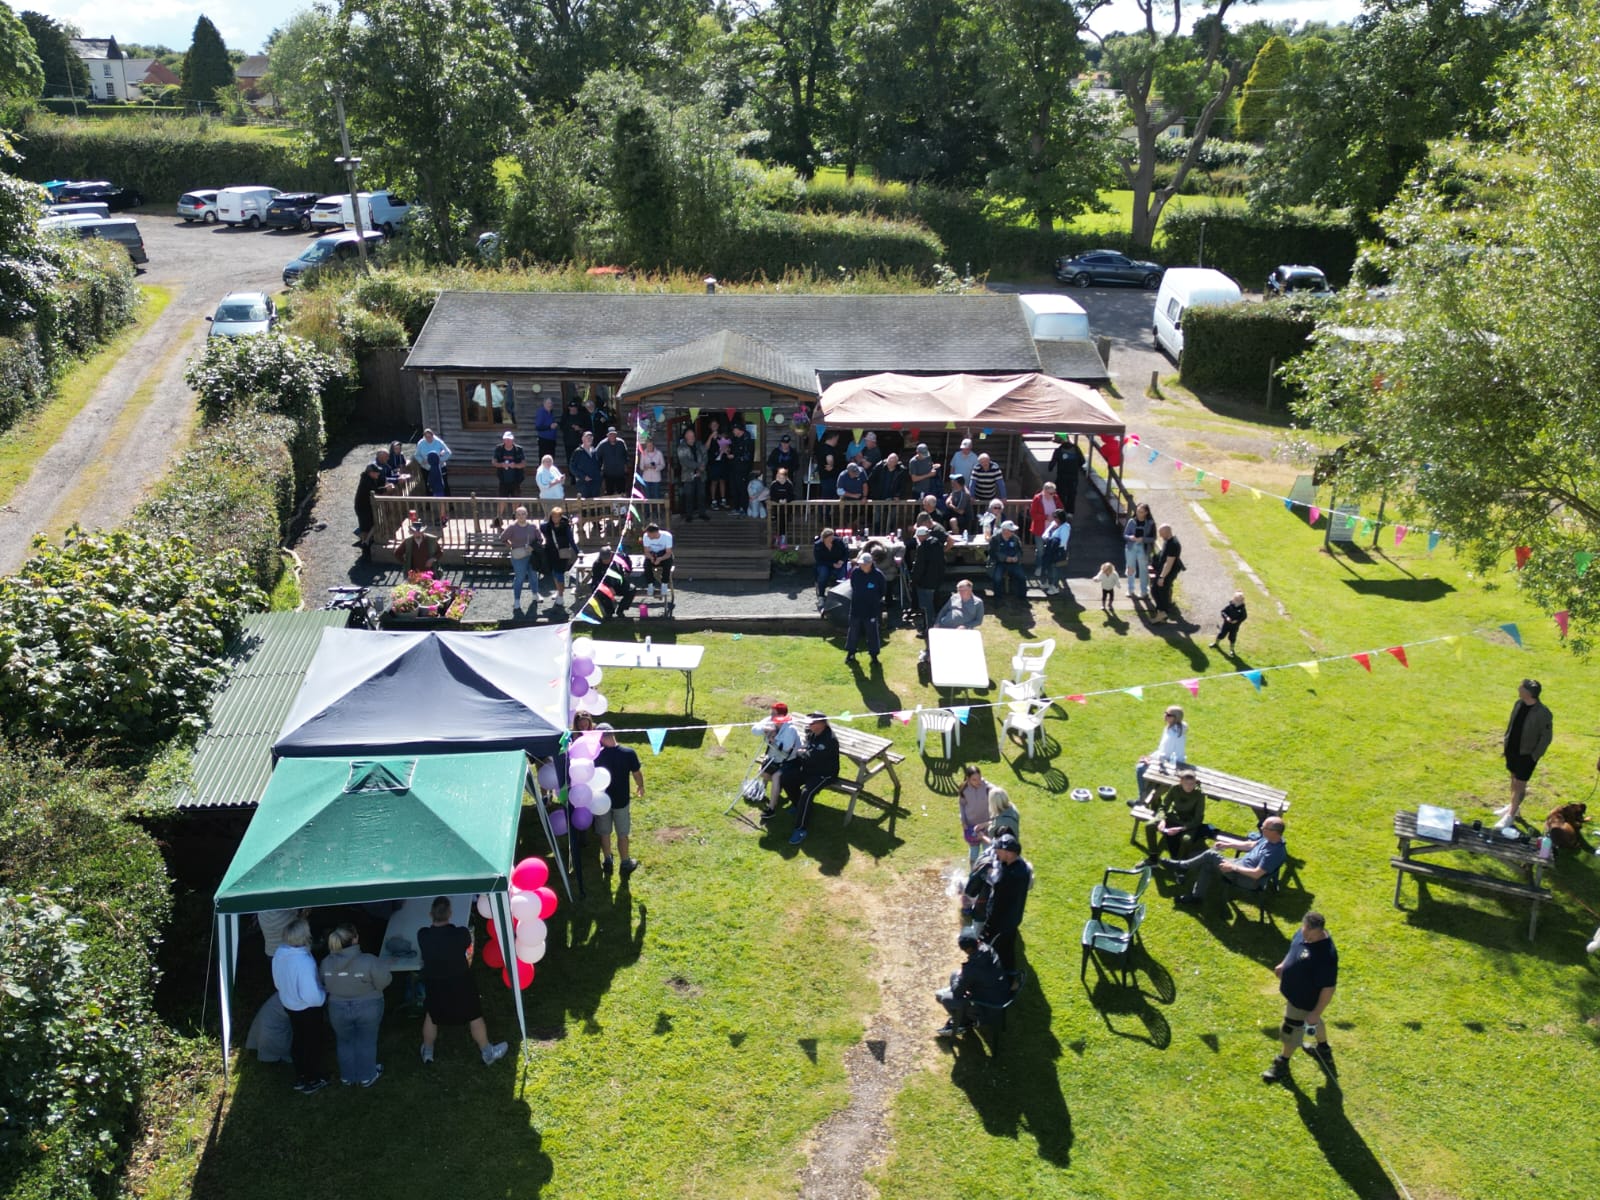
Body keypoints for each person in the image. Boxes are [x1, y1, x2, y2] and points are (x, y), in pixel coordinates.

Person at [418, 896, 509, 1066]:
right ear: (450, 914)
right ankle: (487, 1052)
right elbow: (467, 943)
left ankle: (428, 1051)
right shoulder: (460, 934)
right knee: (474, 1014)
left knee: (432, 1014)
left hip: (435, 983)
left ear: (431, 914)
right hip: (460, 981)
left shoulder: (423, 935)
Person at [1263, 911, 1338, 1083]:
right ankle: (1323, 1048)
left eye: (1310, 936)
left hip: (1303, 999)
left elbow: (1328, 988)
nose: (1306, 938)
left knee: (1290, 1029)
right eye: (1304, 933)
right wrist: (1284, 964)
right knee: (1311, 1020)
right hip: (1294, 992)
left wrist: (1317, 1011)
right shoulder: (1303, 932)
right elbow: (1294, 948)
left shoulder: (1326, 955)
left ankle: (1282, 1063)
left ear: (1320, 931)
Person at [320, 923, 391, 1088]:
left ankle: (347, 1076)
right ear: (355, 939)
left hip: (337, 1009)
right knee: (366, 1041)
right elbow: (384, 982)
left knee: (344, 1041)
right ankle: (367, 1076)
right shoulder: (369, 961)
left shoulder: (326, 963)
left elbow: (323, 983)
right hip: (369, 1007)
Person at [1163, 816, 1288, 906]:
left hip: (1247, 879)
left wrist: (1233, 868)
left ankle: (1182, 866)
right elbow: (1250, 845)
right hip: (1239, 865)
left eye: (1264, 827)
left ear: (1275, 832)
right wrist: (1227, 844)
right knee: (1208, 863)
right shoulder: (1269, 839)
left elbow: (1256, 874)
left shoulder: (1274, 853)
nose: (1261, 828)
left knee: (1211, 855)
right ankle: (1197, 897)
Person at [272, 917, 328, 1093]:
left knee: (298, 1039)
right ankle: (313, 1079)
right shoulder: (304, 962)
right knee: (312, 1043)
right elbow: (311, 995)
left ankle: (300, 1076)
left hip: (289, 1004)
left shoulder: (280, 954)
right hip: (307, 1008)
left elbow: (277, 982)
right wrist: (323, 996)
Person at [774, 711, 840, 844]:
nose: (808, 726)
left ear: (822, 724)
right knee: (786, 778)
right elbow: (805, 750)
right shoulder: (811, 732)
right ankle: (799, 806)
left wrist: (801, 753)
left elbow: (811, 757)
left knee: (807, 793)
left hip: (824, 774)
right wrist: (803, 752)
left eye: (812, 723)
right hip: (809, 769)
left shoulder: (829, 740)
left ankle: (800, 829)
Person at [1496, 679, 1554, 829]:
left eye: (1521, 688)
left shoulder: (1543, 713)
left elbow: (1546, 738)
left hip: (1527, 755)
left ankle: (1510, 816)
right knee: (1513, 778)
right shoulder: (1519, 703)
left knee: (1520, 785)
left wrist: (1534, 756)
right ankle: (1513, 807)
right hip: (1512, 750)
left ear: (1528, 693)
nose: (1518, 688)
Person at [934, 930, 1010, 1039]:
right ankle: (963, 1016)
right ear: (977, 941)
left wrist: (960, 977)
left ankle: (963, 1023)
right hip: (1001, 993)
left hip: (987, 1008)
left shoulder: (972, 969)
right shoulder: (988, 949)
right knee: (956, 975)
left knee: (946, 997)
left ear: (968, 949)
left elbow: (958, 992)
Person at [593, 723, 645, 877]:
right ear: (614, 733)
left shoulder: (596, 756)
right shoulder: (628, 753)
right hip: (621, 801)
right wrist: (640, 786)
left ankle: (608, 861)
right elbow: (636, 773)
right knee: (622, 834)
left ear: (600, 739)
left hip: (601, 801)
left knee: (604, 833)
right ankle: (625, 862)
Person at [980, 833, 1031, 974]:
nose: (996, 852)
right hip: (1013, 919)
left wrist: (988, 926)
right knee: (1007, 948)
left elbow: (997, 904)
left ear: (1009, 853)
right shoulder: (1022, 867)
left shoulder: (1008, 878)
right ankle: (1010, 975)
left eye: (999, 850)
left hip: (1001, 923)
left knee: (993, 948)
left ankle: (996, 976)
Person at [1142, 769, 1206, 862]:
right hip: (1173, 817)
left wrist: (1181, 829)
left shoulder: (1199, 794)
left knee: (1186, 839)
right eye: (1186, 783)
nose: (1189, 786)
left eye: (1192, 784)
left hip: (1188, 823)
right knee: (1149, 825)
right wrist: (1162, 820)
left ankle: (1182, 863)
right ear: (1180, 782)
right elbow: (1163, 807)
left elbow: (1198, 819)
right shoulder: (1175, 788)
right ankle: (1153, 856)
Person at [751, 701, 802, 807]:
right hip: (774, 757)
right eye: (771, 713)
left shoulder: (790, 729)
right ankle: (772, 789)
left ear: (782, 716)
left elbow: (786, 749)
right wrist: (764, 729)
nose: (771, 716)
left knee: (775, 777)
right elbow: (754, 729)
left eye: (774, 714)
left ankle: (772, 806)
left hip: (789, 760)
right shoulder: (770, 720)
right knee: (762, 771)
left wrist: (774, 739)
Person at [1134, 705, 1188, 802]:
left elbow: (1164, 754)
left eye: (1168, 714)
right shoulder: (1176, 728)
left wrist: (1149, 759)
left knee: (1140, 768)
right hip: (1175, 762)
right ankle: (1147, 797)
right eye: (1165, 712)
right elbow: (1162, 751)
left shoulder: (1172, 734)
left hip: (1172, 764)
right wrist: (1150, 757)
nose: (1165, 715)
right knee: (1145, 766)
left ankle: (1142, 797)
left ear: (1175, 718)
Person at [844, 551, 886, 667]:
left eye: (864, 564)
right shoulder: (856, 573)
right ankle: (851, 653)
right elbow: (853, 586)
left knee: (872, 633)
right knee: (853, 631)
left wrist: (874, 600)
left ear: (870, 563)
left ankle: (874, 656)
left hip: (871, 609)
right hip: (856, 608)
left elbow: (882, 591)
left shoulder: (878, 575)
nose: (862, 566)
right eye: (860, 563)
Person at [500, 506, 544, 617]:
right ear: (515, 515)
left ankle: (535, 594)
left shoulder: (533, 526)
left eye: (523, 514)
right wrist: (509, 545)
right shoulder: (512, 527)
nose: (521, 516)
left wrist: (533, 547)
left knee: (534, 575)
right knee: (519, 578)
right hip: (518, 556)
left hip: (532, 555)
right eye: (518, 514)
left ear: (527, 514)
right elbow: (502, 538)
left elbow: (540, 539)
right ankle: (517, 600)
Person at [908, 523, 946, 635]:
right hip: (937, 580)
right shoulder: (938, 544)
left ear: (922, 536)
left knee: (926, 607)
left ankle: (929, 629)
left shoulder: (923, 548)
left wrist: (913, 580)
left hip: (925, 582)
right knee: (934, 605)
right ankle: (933, 626)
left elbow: (919, 567)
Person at [541, 505, 578, 607]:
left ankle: (561, 596)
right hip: (551, 553)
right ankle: (558, 591)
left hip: (562, 554)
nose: (555, 519)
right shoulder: (547, 527)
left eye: (557, 516)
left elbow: (571, 541)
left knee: (559, 574)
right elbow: (541, 526)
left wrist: (577, 552)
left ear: (561, 517)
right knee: (554, 573)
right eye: (553, 516)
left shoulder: (566, 527)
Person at [958, 764, 992, 866]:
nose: (978, 782)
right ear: (968, 779)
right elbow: (962, 806)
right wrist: (963, 821)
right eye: (974, 780)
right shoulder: (964, 790)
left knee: (988, 853)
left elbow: (997, 792)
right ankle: (973, 873)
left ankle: (987, 875)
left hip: (986, 826)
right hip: (971, 827)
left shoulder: (986, 787)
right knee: (974, 853)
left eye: (979, 778)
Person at [1150, 522, 1183, 622]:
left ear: (1167, 532)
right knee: (1156, 590)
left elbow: (1169, 563)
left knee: (1160, 591)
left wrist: (1162, 577)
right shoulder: (1167, 541)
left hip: (1167, 572)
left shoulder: (1173, 544)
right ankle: (1161, 611)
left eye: (1161, 533)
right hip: (1163, 571)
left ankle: (1162, 613)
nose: (1160, 535)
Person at [1123, 503, 1156, 601]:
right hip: (1131, 547)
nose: (1138, 513)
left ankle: (1144, 591)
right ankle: (1130, 589)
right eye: (1137, 511)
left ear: (1146, 512)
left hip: (1143, 548)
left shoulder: (1150, 523)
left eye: (1141, 512)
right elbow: (1125, 535)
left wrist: (1143, 539)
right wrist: (1130, 537)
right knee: (1130, 568)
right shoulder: (1131, 521)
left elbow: (1153, 538)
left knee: (1143, 570)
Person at [988, 520, 1028, 601]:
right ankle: (998, 598)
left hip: (1013, 563)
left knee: (1022, 577)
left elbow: (1020, 551)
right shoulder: (995, 539)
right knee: (997, 578)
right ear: (1004, 530)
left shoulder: (1015, 538)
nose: (1013, 532)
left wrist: (1017, 557)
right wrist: (1005, 558)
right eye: (1011, 530)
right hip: (999, 563)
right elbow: (992, 553)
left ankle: (1022, 598)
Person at [493, 431, 528, 519]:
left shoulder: (519, 449)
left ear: (513, 440)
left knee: (516, 500)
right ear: (503, 440)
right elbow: (494, 462)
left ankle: (516, 516)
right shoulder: (499, 449)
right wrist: (502, 465)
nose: (508, 441)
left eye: (509, 439)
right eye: (506, 439)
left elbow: (523, 463)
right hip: (503, 479)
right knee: (502, 500)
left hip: (516, 479)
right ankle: (498, 518)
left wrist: (515, 465)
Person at [354, 461, 384, 561]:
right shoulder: (366, 481)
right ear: (370, 472)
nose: (378, 474)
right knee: (365, 527)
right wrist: (386, 489)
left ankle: (366, 541)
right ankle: (365, 544)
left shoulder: (370, 479)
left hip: (367, 507)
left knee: (373, 524)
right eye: (376, 472)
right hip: (363, 508)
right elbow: (375, 491)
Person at [676, 428, 709, 520]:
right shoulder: (681, 447)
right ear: (685, 436)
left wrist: (702, 467)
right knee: (689, 495)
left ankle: (702, 513)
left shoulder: (699, 445)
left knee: (701, 495)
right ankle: (689, 515)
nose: (691, 437)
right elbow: (684, 461)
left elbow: (705, 456)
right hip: (688, 475)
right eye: (689, 435)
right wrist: (698, 466)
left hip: (701, 475)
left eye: (692, 435)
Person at [1048, 436, 1086, 513]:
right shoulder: (1076, 449)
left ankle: (1061, 511)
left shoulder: (1058, 450)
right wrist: (1075, 466)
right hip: (1073, 476)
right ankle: (1070, 513)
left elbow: (1051, 465)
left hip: (1061, 477)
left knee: (1061, 494)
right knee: (1071, 494)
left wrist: (1051, 468)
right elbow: (1083, 461)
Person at [1036, 513, 1071, 597]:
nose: (1055, 519)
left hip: (1059, 551)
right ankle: (1048, 583)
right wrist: (1049, 539)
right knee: (1048, 567)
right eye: (1054, 517)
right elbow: (1045, 534)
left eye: (1056, 517)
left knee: (1056, 569)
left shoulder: (1065, 527)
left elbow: (1063, 542)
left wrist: (1052, 541)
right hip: (1049, 549)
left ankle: (1055, 587)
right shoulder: (1053, 524)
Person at [813, 527, 851, 602]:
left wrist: (842, 561)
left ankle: (839, 595)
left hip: (838, 563)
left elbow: (846, 552)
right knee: (823, 574)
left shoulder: (838, 541)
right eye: (829, 539)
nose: (831, 540)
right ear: (823, 538)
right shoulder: (818, 546)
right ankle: (821, 595)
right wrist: (832, 564)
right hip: (825, 564)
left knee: (841, 576)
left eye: (832, 538)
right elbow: (818, 560)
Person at [596, 427, 631, 496]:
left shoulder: (621, 443)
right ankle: (611, 506)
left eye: (614, 434)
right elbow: (596, 456)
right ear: (607, 435)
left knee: (621, 491)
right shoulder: (602, 444)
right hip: (608, 473)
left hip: (620, 472)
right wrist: (599, 467)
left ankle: (622, 506)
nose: (612, 436)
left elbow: (626, 455)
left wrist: (626, 465)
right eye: (610, 434)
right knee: (609, 492)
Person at [836, 461, 868, 533]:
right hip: (847, 500)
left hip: (860, 500)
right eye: (854, 472)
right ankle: (849, 534)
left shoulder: (862, 472)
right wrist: (853, 495)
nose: (857, 473)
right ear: (849, 472)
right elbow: (839, 491)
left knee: (860, 518)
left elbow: (865, 485)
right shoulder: (842, 476)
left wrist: (865, 497)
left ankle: (859, 534)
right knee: (848, 520)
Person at [570, 431, 602, 499]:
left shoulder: (594, 451)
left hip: (595, 483)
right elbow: (572, 467)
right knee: (584, 505)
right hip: (583, 483)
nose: (589, 439)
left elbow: (599, 465)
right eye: (587, 437)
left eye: (591, 437)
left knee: (595, 505)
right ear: (582, 439)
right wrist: (583, 476)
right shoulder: (578, 451)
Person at [769, 467, 796, 538]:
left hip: (786, 508)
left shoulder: (789, 484)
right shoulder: (774, 484)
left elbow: (792, 496)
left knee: (784, 523)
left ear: (785, 477)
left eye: (782, 477)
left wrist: (786, 500)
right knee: (777, 523)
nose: (780, 479)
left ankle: (783, 537)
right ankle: (778, 537)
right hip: (776, 508)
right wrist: (778, 501)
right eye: (778, 477)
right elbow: (772, 496)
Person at [561, 399, 588, 464]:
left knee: (579, 459)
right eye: (571, 407)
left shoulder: (582, 416)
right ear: (569, 408)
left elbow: (587, 428)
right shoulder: (565, 416)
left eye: (574, 407)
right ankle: (571, 473)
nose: (573, 409)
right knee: (570, 459)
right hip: (568, 442)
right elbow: (562, 427)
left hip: (579, 442)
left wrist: (580, 429)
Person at [533, 395, 559, 461]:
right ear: (544, 404)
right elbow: (538, 427)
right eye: (548, 403)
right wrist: (550, 427)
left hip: (551, 440)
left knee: (551, 459)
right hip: (544, 440)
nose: (550, 405)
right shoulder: (541, 412)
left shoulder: (551, 412)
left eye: (551, 403)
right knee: (544, 459)